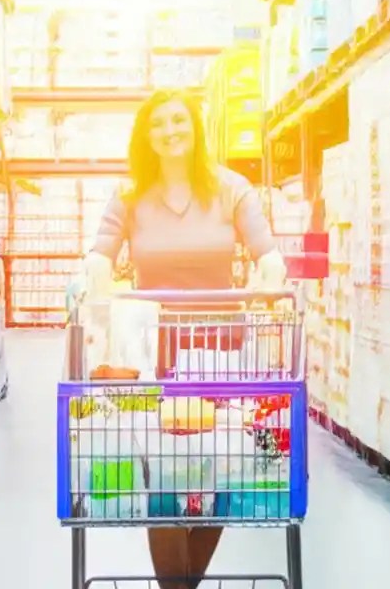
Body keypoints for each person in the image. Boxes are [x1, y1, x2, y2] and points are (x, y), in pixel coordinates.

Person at [77, 89, 287, 587]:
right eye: (158, 124)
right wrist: (96, 293)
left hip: (220, 353)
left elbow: (267, 252)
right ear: (146, 136)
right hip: (154, 354)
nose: (170, 131)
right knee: (164, 476)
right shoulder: (129, 195)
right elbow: (100, 255)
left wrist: (272, 283)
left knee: (218, 473)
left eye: (178, 121)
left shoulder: (231, 188)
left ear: (195, 127)